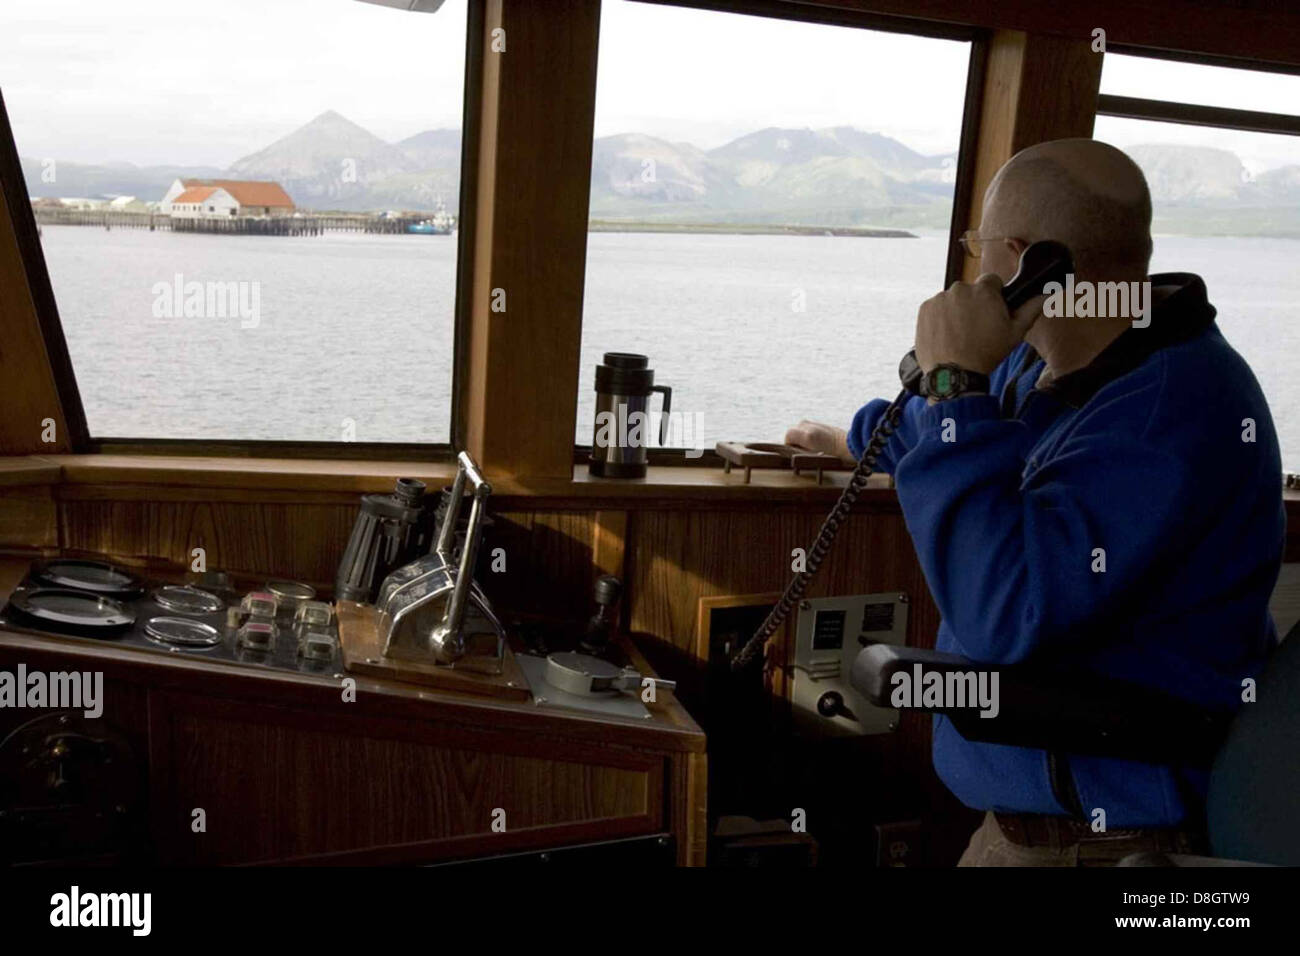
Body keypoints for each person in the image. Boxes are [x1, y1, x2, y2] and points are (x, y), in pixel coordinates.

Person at [787, 138, 1285, 866]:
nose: (971, 265)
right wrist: (853, 435)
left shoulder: (1172, 414)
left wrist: (957, 377)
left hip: (1110, 845)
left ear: (1023, 263)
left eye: (975, 246)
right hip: (1024, 826)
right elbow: (953, 436)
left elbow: (1004, 616)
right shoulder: (1053, 359)